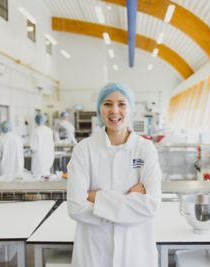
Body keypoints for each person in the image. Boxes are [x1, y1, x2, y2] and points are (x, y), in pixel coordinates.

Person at [67, 83, 162, 267]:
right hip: (94, 252)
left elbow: (150, 206)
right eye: (107, 104)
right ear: (99, 109)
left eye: (122, 104)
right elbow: (75, 207)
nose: (114, 110)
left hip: (135, 251)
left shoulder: (145, 149)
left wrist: (96, 198)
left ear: (131, 108)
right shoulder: (84, 149)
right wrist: (129, 198)